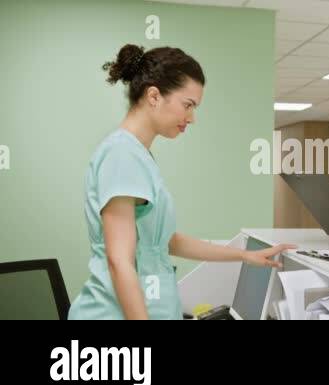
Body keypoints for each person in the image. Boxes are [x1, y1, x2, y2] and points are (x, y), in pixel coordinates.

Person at [69, 45, 294, 320]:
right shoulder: (122, 155)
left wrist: (244, 256)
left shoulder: (137, 154)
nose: (192, 117)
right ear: (154, 96)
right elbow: (119, 261)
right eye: (188, 105)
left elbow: (164, 241)